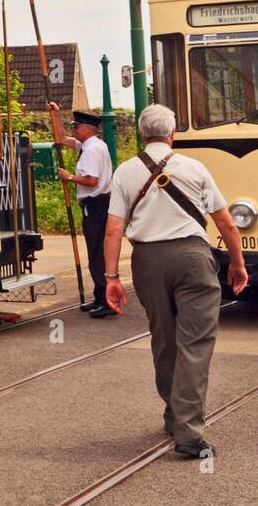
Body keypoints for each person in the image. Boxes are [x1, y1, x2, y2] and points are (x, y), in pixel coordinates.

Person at [104, 103, 250, 459]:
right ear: (172, 134)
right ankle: (188, 433)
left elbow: (112, 229)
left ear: (142, 134)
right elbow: (226, 222)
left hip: (148, 261)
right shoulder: (194, 167)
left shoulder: (125, 171)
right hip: (192, 259)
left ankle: (175, 414)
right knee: (195, 344)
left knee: (165, 339)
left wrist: (111, 277)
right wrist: (237, 263)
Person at [50, 103, 114, 317]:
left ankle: (106, 300)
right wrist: (56, 115)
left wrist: (68, 177)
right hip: (98, 205)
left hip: (96, 205)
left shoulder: (92, 150)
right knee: (97, 253)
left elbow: (91, 180)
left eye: (76, 127)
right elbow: (60, 139)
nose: (74, 130)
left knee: (97, 254)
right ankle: (99, 296)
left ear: (87, 128)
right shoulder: (90, 146)